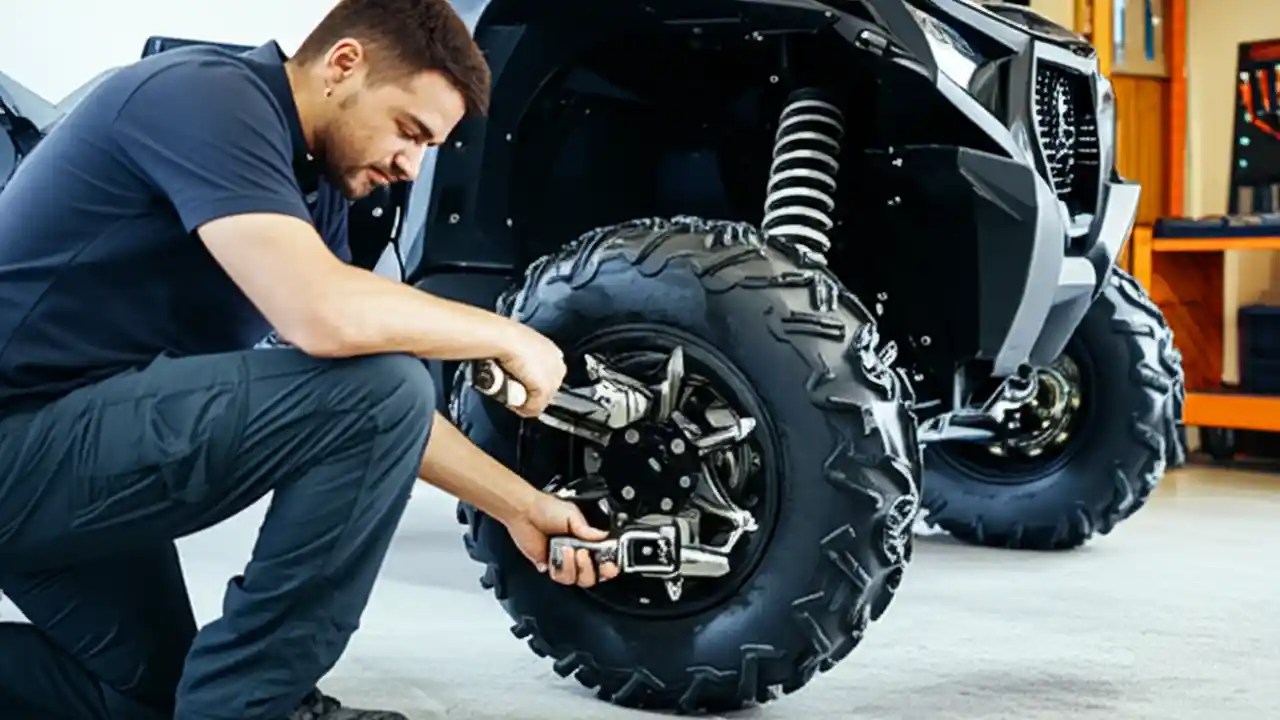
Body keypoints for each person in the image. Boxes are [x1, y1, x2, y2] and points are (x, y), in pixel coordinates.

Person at [0, 1, 620, 718]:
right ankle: (263, 705)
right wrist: (507, 334)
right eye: (408, 132)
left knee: (153, 697)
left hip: (63, 459)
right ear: (344, 65)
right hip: (23, 443)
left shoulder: (310, 194)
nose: (410, 167)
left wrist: (522, 508)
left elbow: (379, 412)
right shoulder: (203, 97)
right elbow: (326, 324)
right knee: (382, 386)